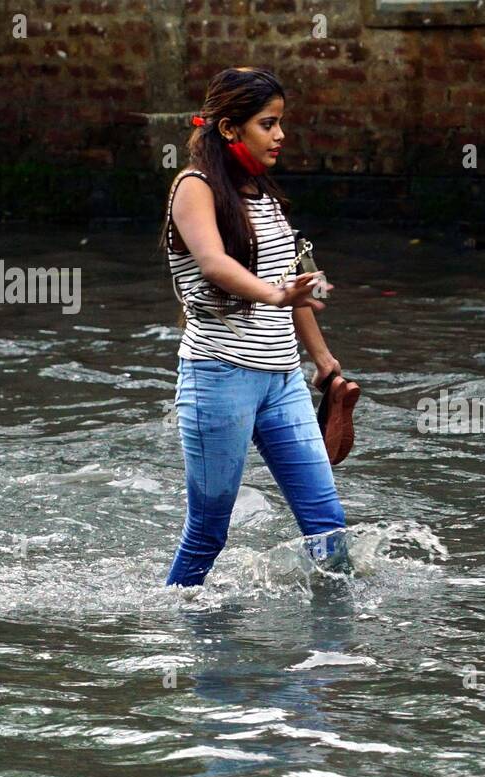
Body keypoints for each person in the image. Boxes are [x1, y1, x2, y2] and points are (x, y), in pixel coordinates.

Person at [159, 67, 353, 589]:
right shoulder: (193, 188)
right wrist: (274, 294)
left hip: (282, 380)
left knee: (328, 528)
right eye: (268, 124)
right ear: (228, 129)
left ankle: (332, 656)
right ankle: (183, 633)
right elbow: (213, 262)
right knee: (208, 533)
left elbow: (295, 287)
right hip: (218, 377)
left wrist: (324, 362)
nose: (281, 135)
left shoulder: (264, 196)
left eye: (281, 123)